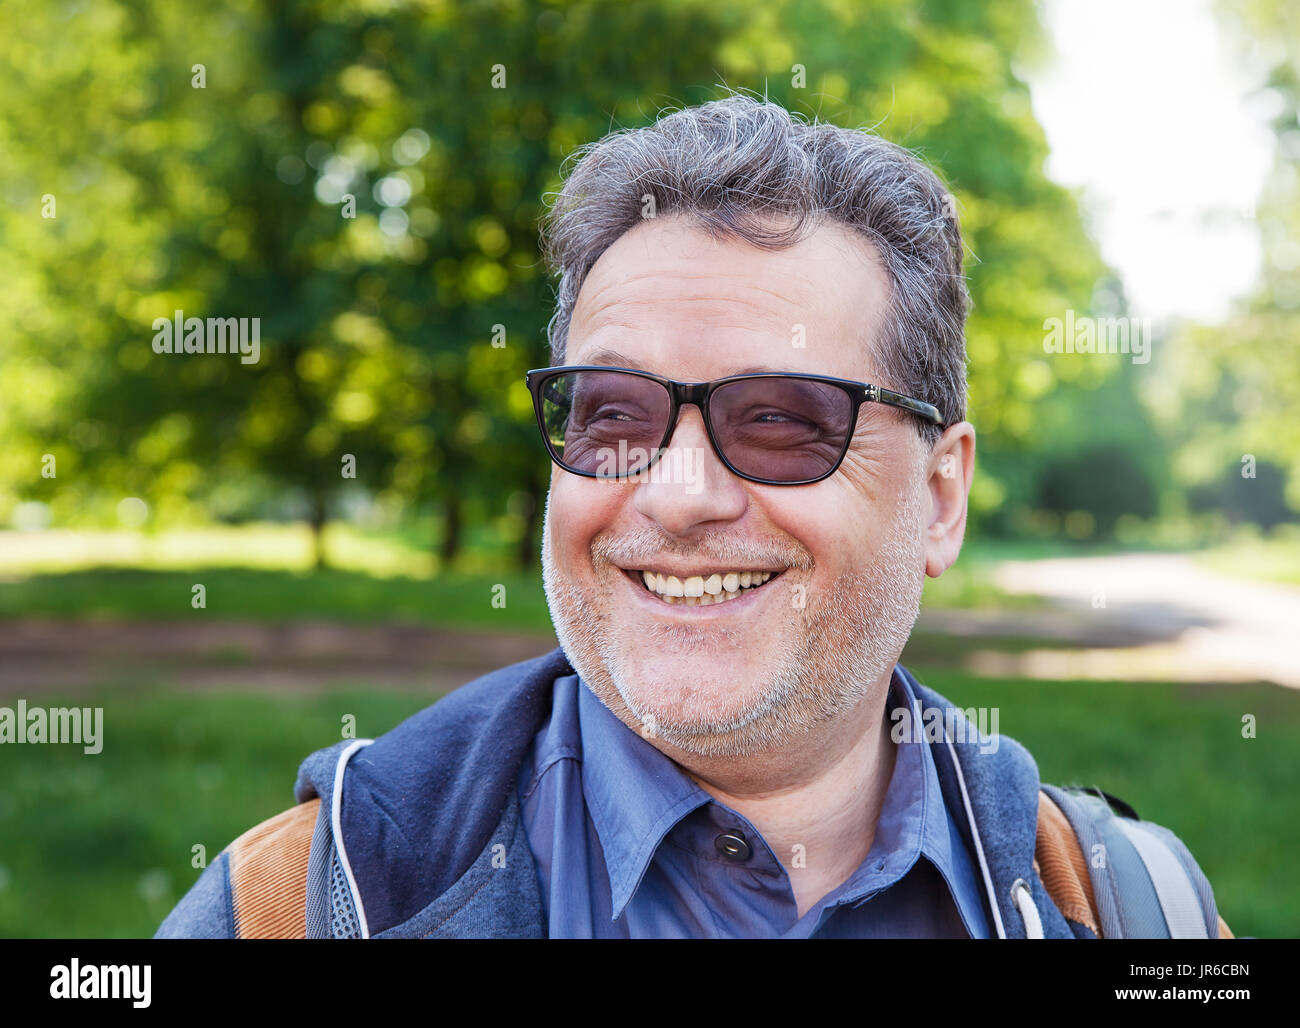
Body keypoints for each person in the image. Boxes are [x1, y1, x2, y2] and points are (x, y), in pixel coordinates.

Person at [156, 90, 1229, 939]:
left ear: (939, 497)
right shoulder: (301, 903)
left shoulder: (1133, 907)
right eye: (613, 410)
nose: (676, 493)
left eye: (780, 419)